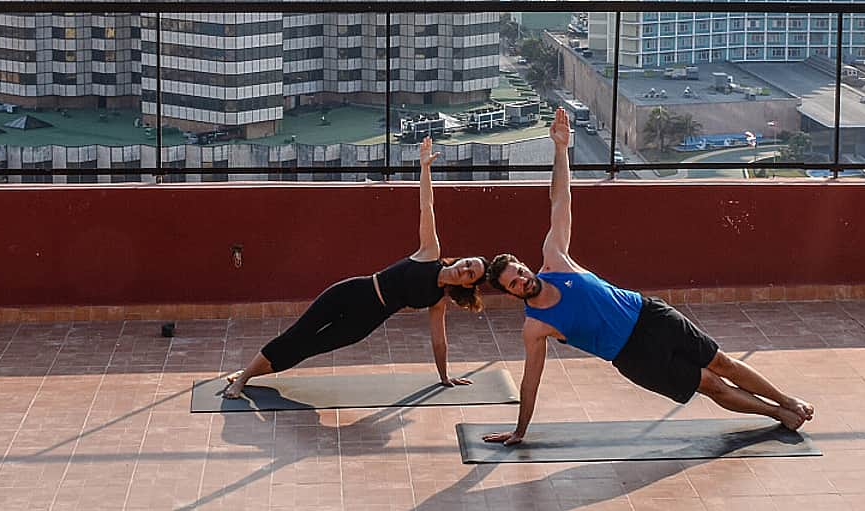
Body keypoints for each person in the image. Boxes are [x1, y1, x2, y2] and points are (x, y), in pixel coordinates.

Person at [481, 107, 813, 445]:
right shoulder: (535, 327)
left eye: (519, 271)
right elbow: (530, 381)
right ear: (512, 293)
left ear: (524, 265)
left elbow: (560, 200)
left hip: (651, 315)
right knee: (711, 384)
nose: (522, 279)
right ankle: (777, 414)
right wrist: (520, 430)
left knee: (722, 362)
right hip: (634, 356)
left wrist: (561, 149)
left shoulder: (555, 260)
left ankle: (787, 400)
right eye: (514, 283)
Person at [224, 136, 488, 398]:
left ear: (467, 284)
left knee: (307, 348)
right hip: (353, 293)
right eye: (467, 264)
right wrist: (424, 167)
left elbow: (439, 341)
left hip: (364, 322)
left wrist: (444, 377)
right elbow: (426, 206)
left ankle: (248, 374)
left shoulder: (437, 299)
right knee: (297, 334)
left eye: (470, 274)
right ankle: (243, 378)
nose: (464, 270)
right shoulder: (430, 253)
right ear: (461, 259)